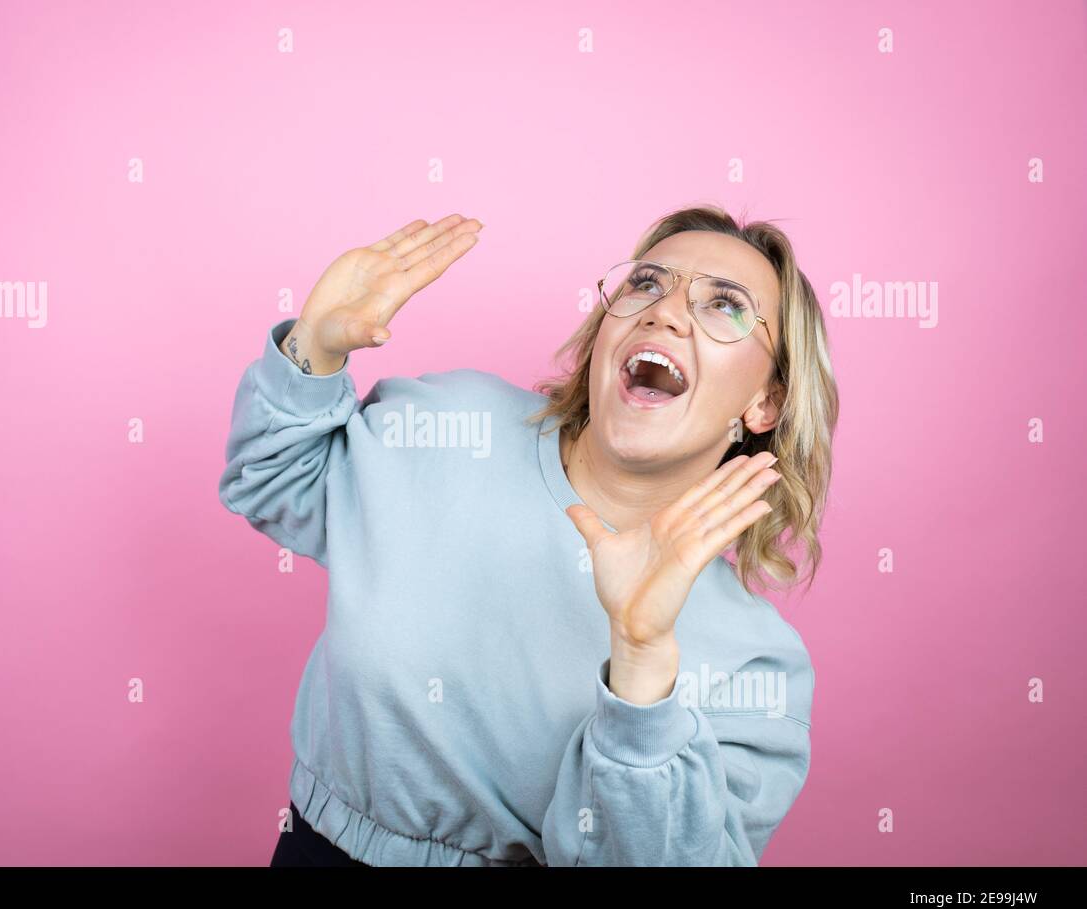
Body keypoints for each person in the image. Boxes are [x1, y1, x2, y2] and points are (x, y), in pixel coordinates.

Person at [221, 206, 838, 866]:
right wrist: (314, 344)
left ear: (765, 403)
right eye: (648, 284)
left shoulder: (759, 664)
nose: (666, 311)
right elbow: (271, 485)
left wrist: (640, 659)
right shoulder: (447, 425)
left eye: (726, 306)